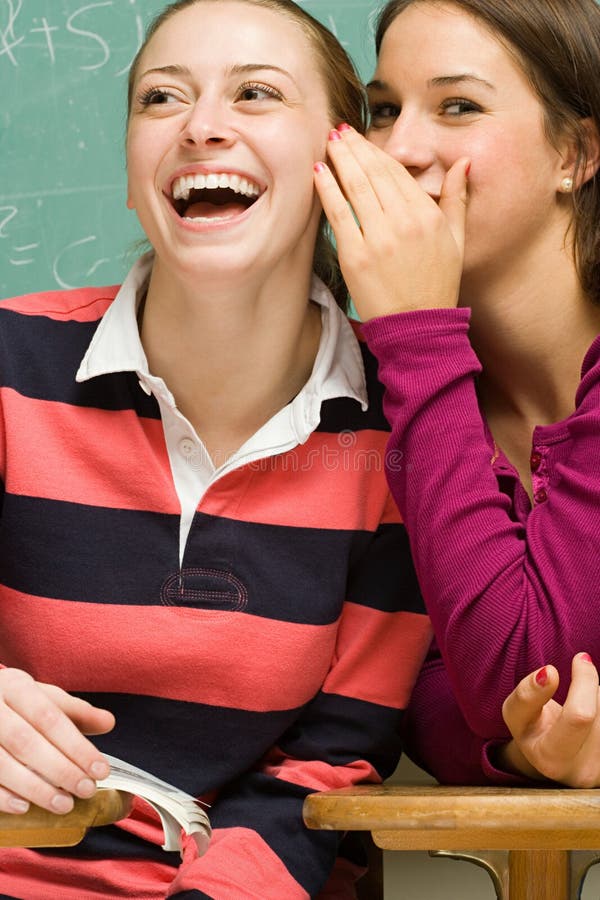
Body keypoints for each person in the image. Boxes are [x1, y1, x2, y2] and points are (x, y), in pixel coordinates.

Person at [0, 1, 432, 897]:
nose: (201, 127)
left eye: (256, 94)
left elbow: (330, 770)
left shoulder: (406, 434)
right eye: (162, 99)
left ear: (341, 165)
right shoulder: (9, 367)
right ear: (130, 171)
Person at [313, 0, 600, 786]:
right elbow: (410, 681)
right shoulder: (377, 386)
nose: (398, 149)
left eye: (458, 107)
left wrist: (418, 330)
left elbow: (522, 658)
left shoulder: (413, 355)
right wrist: (514, 749)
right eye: (383, 111)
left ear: (576, 154)